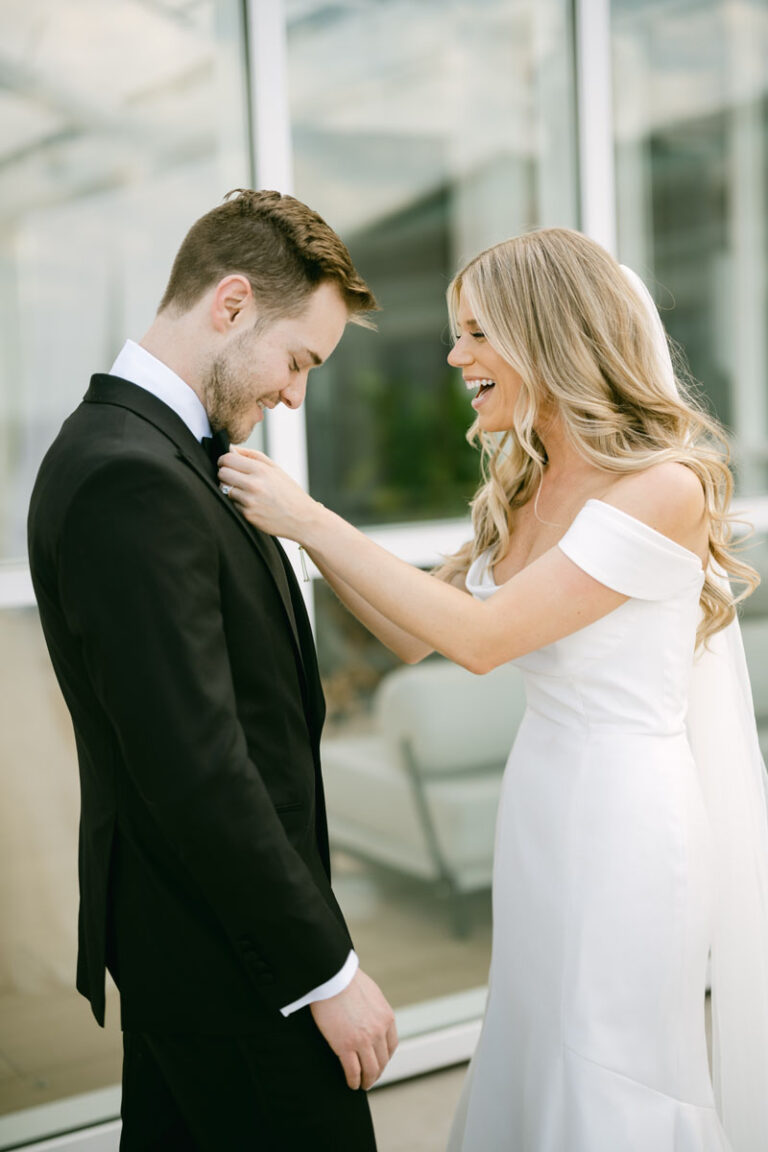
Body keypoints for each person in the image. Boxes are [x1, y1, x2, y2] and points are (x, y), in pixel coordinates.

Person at [216, 227, 768, 1152]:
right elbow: (411, 633)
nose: (454, 356)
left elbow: (480, 641)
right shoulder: (524, 488)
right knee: (536, 1037)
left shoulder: (662, 489)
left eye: (476, 333)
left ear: (545, 335)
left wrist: (309, 517)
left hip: (629, 825)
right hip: (543, 805)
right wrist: (291, 537)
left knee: (608, 1057)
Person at [27, 188, 397, 1152]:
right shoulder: (131, 475)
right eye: (298, 360)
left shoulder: (164, 455)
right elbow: (196, 764)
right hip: (233, 964)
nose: (295, 394)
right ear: (232, 305)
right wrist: (326, 971)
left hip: (201, 946)